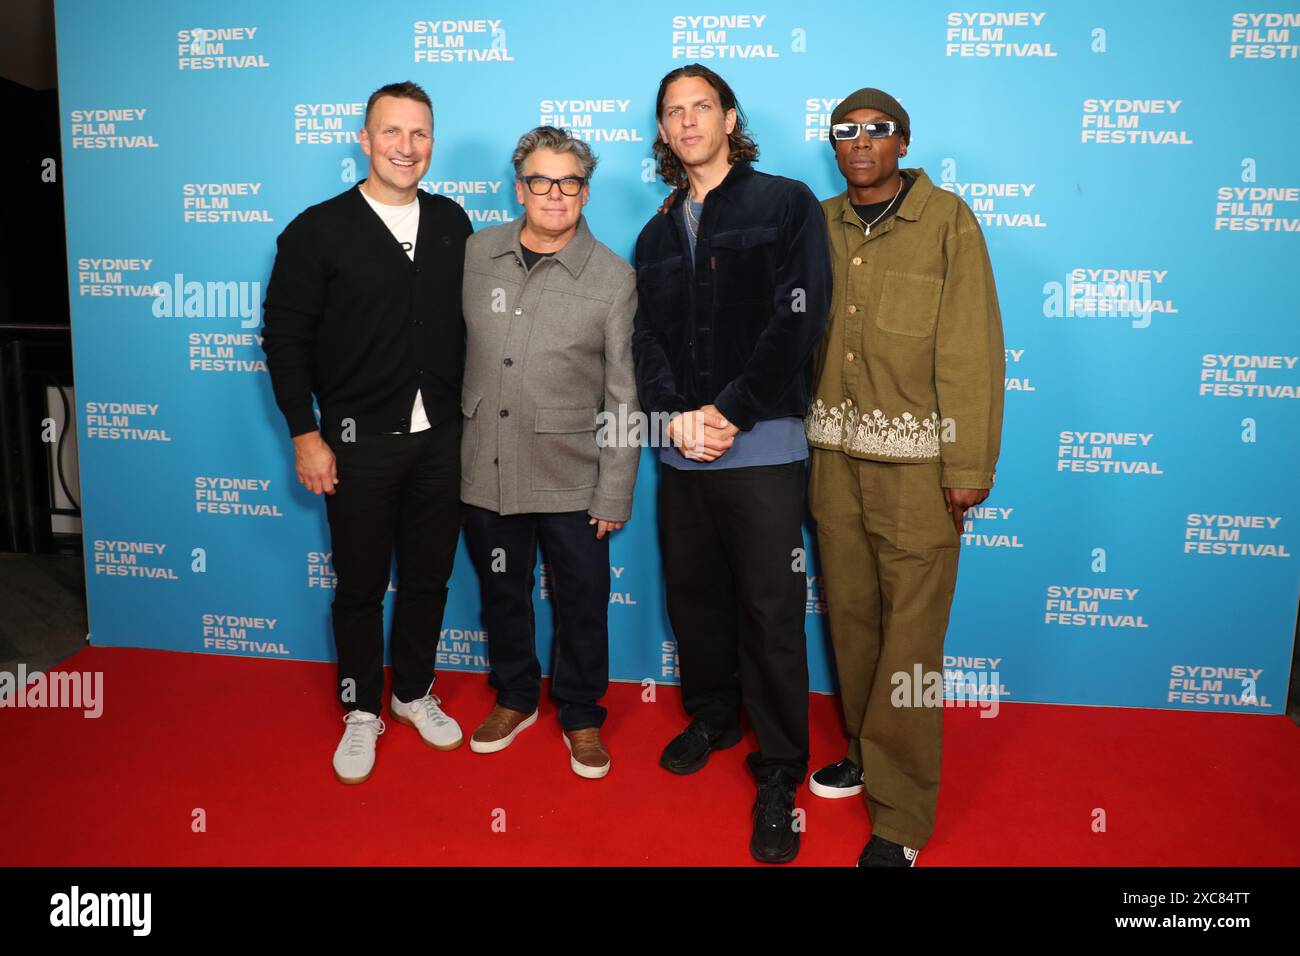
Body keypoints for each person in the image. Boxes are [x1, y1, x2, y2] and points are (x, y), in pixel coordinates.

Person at [631, 64, 831, 863]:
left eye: (700, 107)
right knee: (697, 600)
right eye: (673, 112)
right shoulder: (654, 232)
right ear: (663, 130)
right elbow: (645, 338)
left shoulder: (784, 204)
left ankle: (780, 766)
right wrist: (677, 417)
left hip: (763, 446)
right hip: (684, 455)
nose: (687, 122)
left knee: (770, 612)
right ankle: (713, 714)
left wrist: (729, 412)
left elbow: (799, 317)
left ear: (729, 117)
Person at [804, 87, 1005, 866]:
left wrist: (967, 464)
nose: (860, 142)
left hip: (921, 472)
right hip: (831, 462)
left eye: (876, 131)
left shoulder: (948, 219)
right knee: (851, 619)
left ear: (904, 141)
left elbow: (970, 346)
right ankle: (863, 751)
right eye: (845, 131)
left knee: (912, 643)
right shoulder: (816, 223)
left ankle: (902, 813)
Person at [262, 81, 472, 785]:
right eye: (392, 133)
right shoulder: (316, 230)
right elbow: (285, 340)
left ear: (431, 143)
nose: (406, 148)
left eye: (419, 135)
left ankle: (412, 692)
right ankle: (361, 707)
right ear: (365, 139)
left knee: (428, 576)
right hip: (355, 441)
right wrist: (305, 434)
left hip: (442, 439)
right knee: (359, 584)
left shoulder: (451, 222)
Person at [459, 126, 638, 780]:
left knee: (582, 601)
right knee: (502, 591)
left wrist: (614, 489)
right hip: (487, 461)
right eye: (541, 181)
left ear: (585, 193)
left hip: (573, 473)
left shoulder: (614, 278)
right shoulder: (477, 253)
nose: (554, 194)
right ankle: (514, 695)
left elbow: (624, 393)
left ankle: (582, 713)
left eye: (568, 182)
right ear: (520, 188)